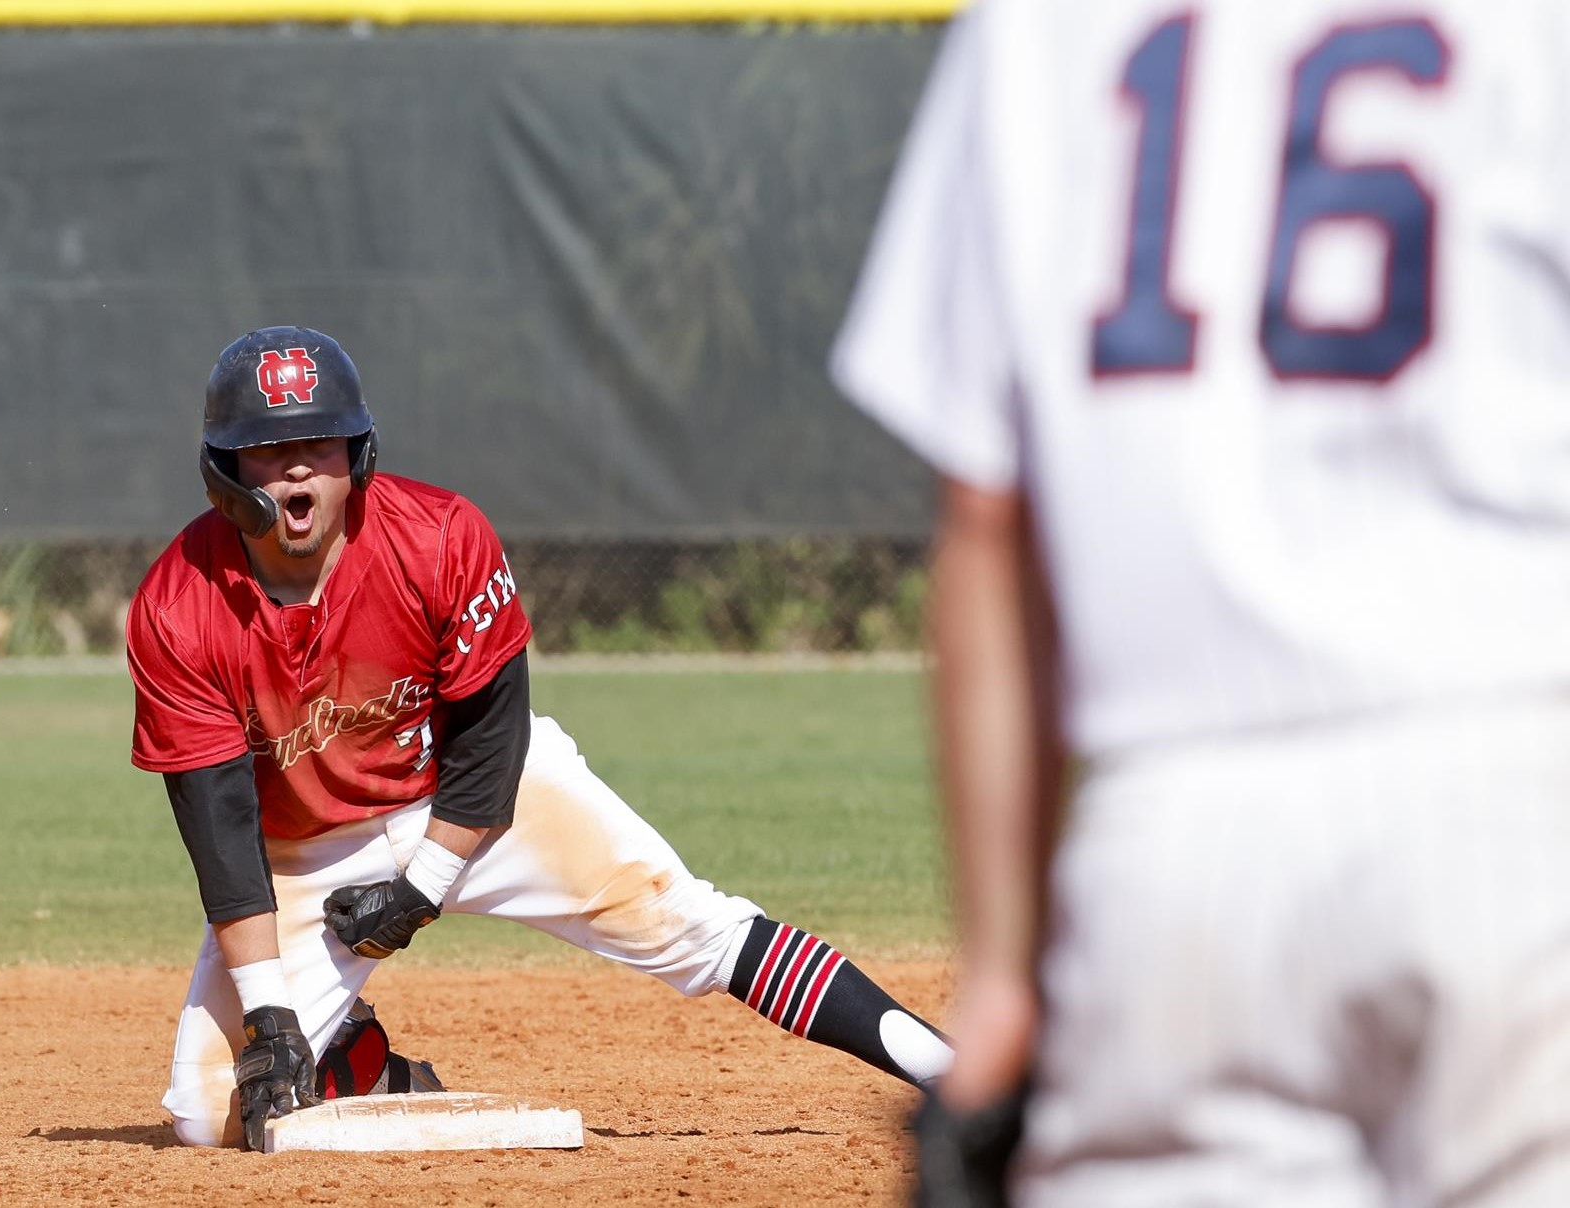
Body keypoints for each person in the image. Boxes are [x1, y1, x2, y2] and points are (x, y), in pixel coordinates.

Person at [832, 1, 1570, 1204]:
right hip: (1511, 781)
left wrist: (1004, 975)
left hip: (1167, 853)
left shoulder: (1033, 30)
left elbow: (984, 517)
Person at [127, 325, 954, 1150]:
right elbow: (223, 834)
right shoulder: (178, 605)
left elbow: (492, 740)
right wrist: (272, 1021)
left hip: (477, 803)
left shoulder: (440, 537)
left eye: (319, 439)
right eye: (268, 448)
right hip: (305, 852)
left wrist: (422, 888)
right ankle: (360, 1058)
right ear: (223, 472)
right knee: (207, 1114)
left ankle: (952, 1073)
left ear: (358, 450)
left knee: (695, 928)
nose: (299, 464)